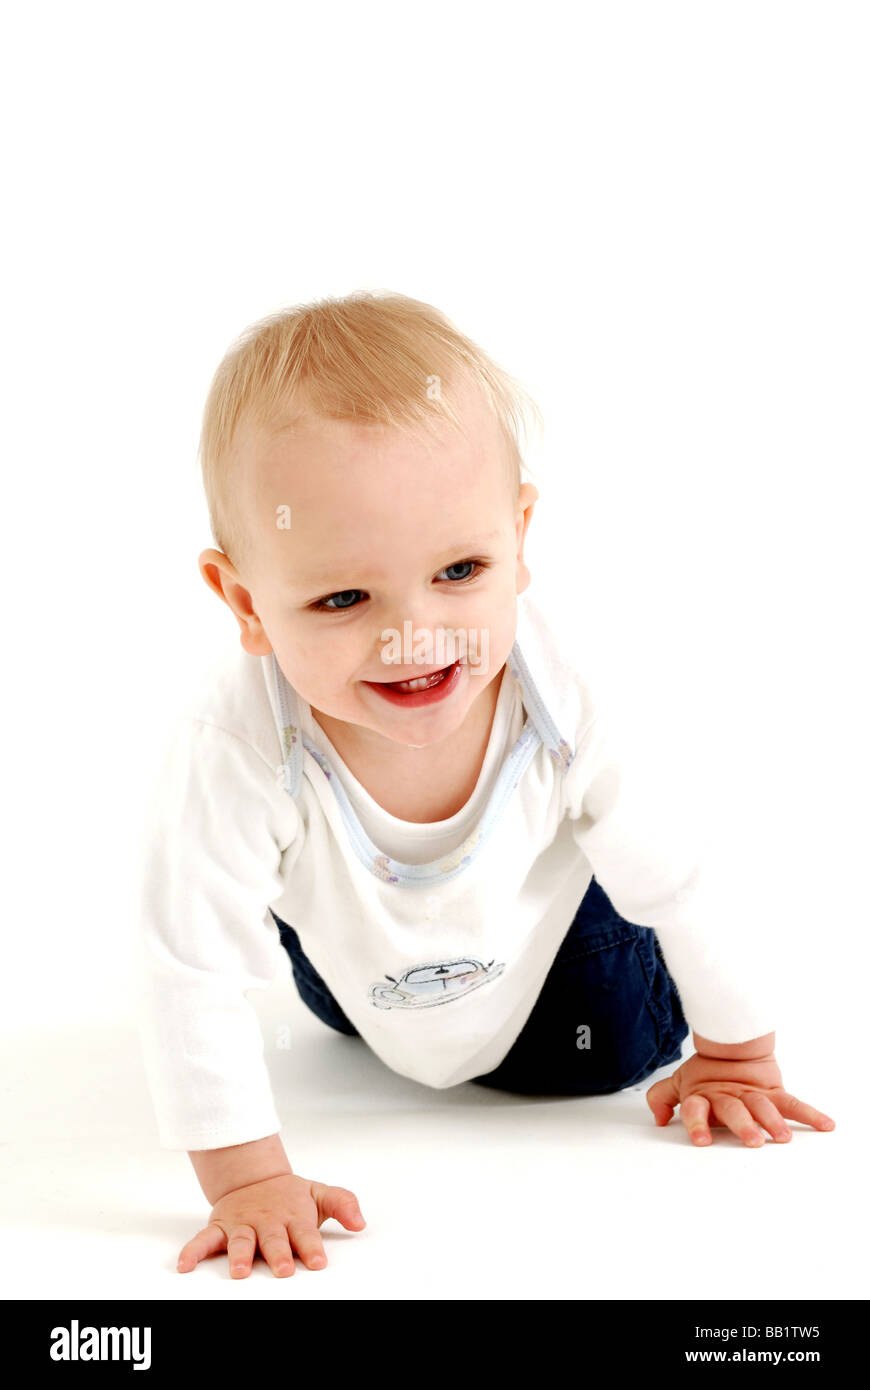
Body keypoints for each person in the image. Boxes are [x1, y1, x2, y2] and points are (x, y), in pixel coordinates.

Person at [136, 290, 835, 1282]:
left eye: (461, 569)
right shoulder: (236, 740)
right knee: (296, 938)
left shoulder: (569, 687)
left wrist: (737, 1053)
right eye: (343, 597)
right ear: (246, 603)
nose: (414, 634)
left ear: (520, 536)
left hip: (560, 978)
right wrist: (247, 1177)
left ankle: (600, 988)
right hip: (357, 985)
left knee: (610, 1030)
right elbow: (189, 965)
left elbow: (682, 874)